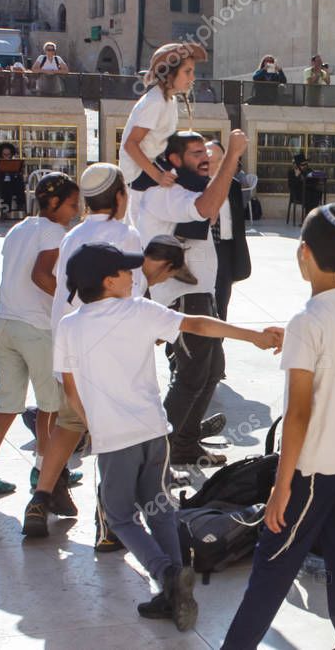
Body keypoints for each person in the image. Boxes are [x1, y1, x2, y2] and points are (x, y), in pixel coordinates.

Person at [56, 242, 281, 633]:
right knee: (159, 507)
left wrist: (91, 423)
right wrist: (253, 336)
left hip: (115, 439)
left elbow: (70, 388)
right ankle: (177, 589)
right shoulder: (139, 310)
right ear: (109, 282)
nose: (134, 276)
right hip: (154, 432)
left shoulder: (70, 326)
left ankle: (165, 574)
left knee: (120, 515)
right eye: (127, 272)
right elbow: (196, 324)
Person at [223, 204, 335, 649]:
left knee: (272, 563)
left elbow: (300, 414)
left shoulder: (307, 322)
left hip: (314, 469)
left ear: (301, 253)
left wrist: (281, 484)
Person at [22, 162, 145, 540]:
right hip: (106, 350)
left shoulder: (72, 235)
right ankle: (107, 523)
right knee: (114, 435)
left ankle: (40, 499)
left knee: (68, 424)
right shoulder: (126, 235)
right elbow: (131, 294)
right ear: (121, 197)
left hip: (69, 342)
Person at [131, 130, 248, 466]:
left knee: (210, 372)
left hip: (200, 295)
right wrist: (232, 158)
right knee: (191, 376)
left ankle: (184, 444)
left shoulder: (184, 190)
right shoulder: (164, 192)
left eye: (205, 152)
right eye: (196, 152)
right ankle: (157, 457)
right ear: (174, 160)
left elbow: (208, 209)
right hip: (182, 299)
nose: (205, 158)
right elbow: (205, 209)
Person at [0, 173, 79, 496]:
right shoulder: (54, 231)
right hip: (36, 328)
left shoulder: (19, 228)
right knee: (51, 406)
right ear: (54, 203)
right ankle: (46, 472)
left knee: (7, 404)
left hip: (4, 323)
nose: (76, 211)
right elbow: (41, 274)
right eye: (72, 204)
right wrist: (68, 302)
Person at [120, 43, 208, 224]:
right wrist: (158, 176)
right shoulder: (155, 102)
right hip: (140, 176)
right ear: (169, 74)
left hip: (153, 166)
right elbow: (131, 144)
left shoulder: (169, 100)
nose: (192, 77)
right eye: (187, 71)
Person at [205, 140, 251, 321]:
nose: (214, 165)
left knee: (222, 298)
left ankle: (219, 339)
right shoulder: (194, 185)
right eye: (209, 160)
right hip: (203, 248)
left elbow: (238, 222)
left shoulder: (233, 185)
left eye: (219, 160)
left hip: (225, 248)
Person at [0, 143, 26, 218]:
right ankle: (6, 211)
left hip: (13, 185)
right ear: (1, 154)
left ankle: (21, 206)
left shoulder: (14, 162)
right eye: (4, 154)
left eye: (8, 154)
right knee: (6, 186)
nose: (6, 156)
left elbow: (19, 173)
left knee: (19, 183)